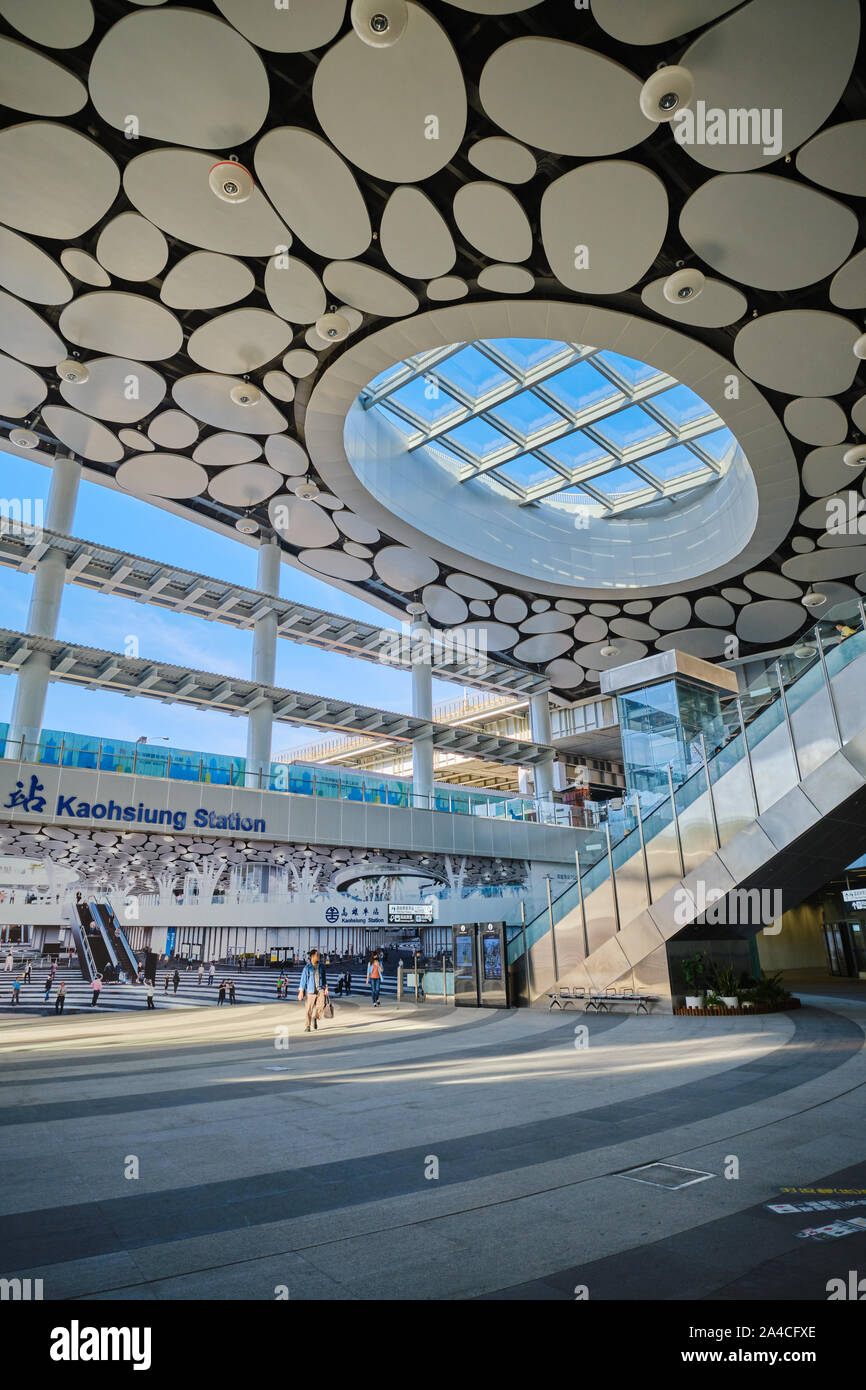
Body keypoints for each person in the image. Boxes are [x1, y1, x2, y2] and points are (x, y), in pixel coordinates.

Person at [297, 950, 328, 1032]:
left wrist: (326, 987)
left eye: (318, 955)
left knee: (321, 1006)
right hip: (310, 991)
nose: (318, 957)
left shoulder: (321, 966)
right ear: (312, 957)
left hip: (320, 989)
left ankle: (315, 1018)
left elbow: (324, 977)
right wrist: (301, 991)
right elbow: (303, 979)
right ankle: (307, 1026)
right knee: (308, 1010)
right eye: (317, 955)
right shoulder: (307, 967)